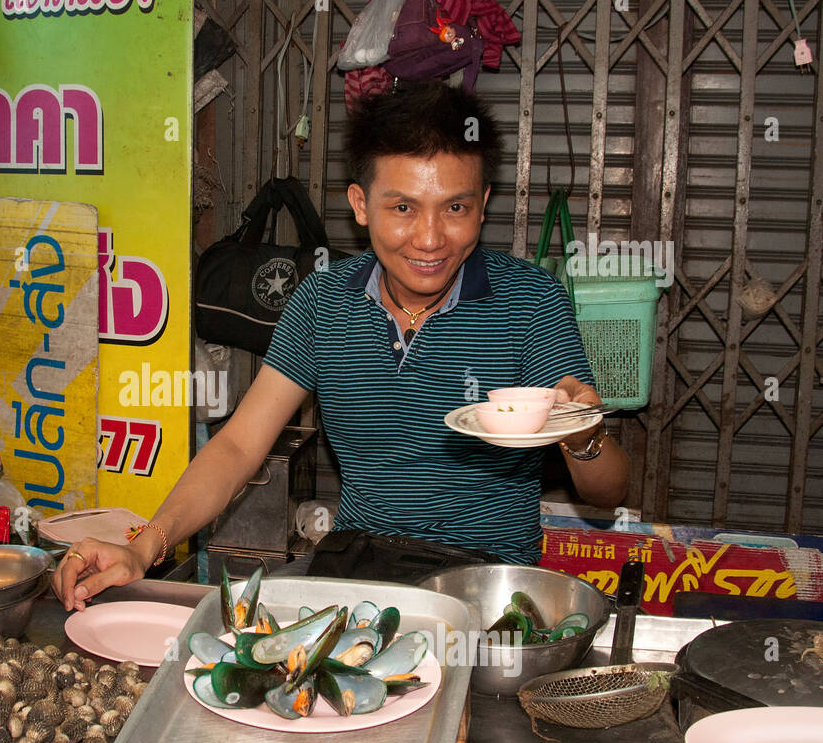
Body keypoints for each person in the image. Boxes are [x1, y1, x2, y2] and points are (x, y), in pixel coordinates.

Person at [55, 82, 629, 610]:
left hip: (489, 586)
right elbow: (238, 447)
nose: (429, 239)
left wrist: (583, 437)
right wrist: (144, 544)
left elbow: (609, 492)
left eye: (454, 208)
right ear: (360, 204)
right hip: (358, 575)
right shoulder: (324, 301)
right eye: (402, 207)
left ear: (481, 204)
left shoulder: (529, 301)